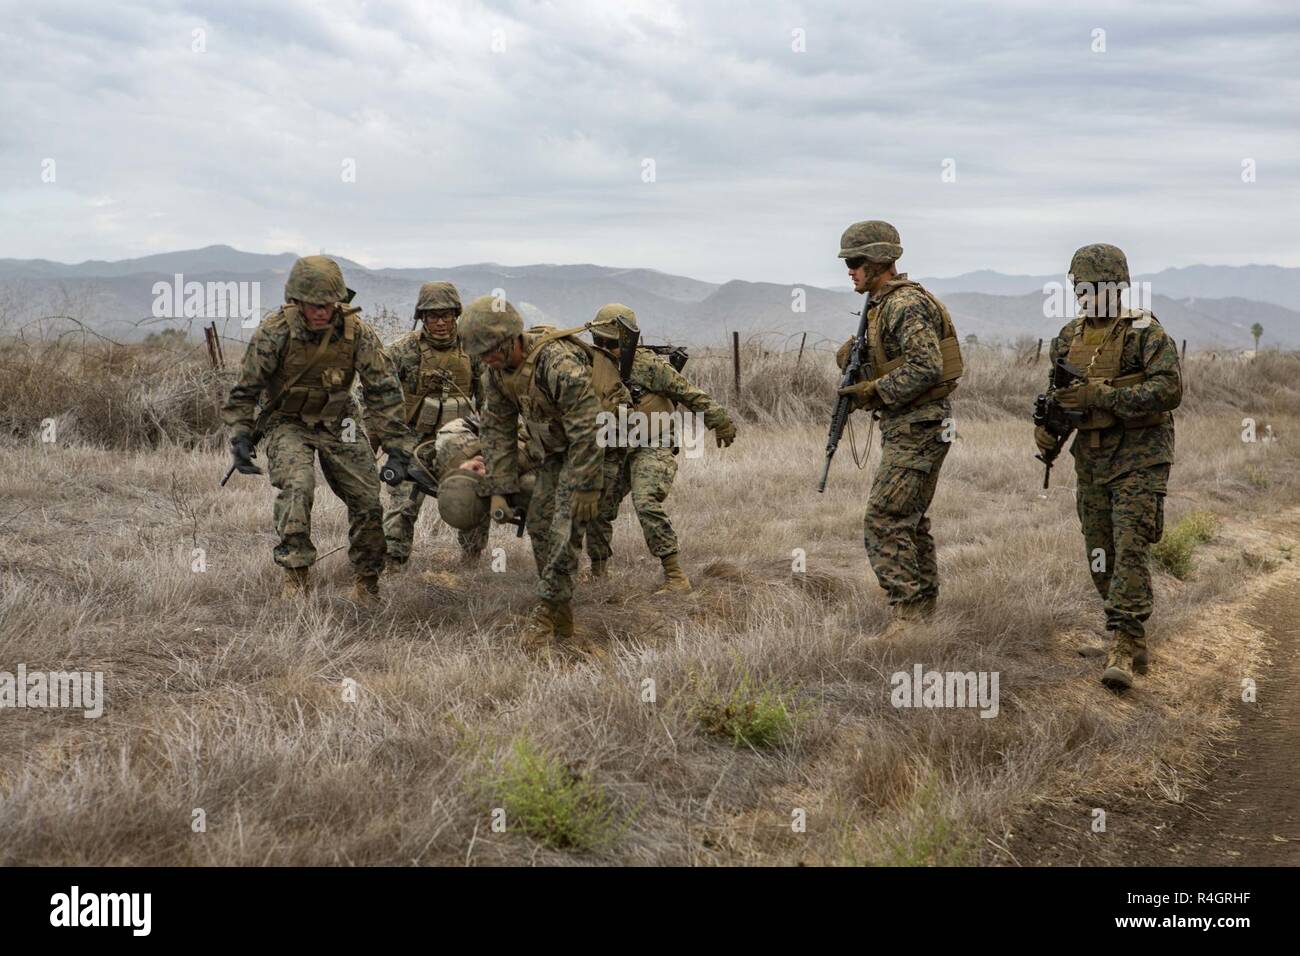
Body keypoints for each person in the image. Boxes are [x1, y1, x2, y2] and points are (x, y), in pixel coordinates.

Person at [222, 255, 414, 604]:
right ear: (297, 301)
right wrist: (240, 435)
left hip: (340, 420)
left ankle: (367, 581)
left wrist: (398, 446)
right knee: (297, 487)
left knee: (367, 499)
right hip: (288, 421)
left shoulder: (357, 334)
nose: (322, 312)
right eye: (314, 305)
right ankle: (296, 577)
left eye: (328, 304)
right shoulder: (274, 331)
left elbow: (383, 390)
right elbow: (246, 389)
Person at [1036, 243, 1182, 690]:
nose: (1090, 294)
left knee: (1131, 546)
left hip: (1140, 457)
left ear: (1119, 287)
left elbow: (1168, 391)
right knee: (1100, 553)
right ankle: (1126, 635)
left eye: (1100, 286)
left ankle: (1123, 640)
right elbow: (1060, 397)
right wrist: (1050, 433)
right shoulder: (1069, 337)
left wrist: (1103, 396)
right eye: (1083, 287)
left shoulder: (1145, 334)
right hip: (1093, 460)